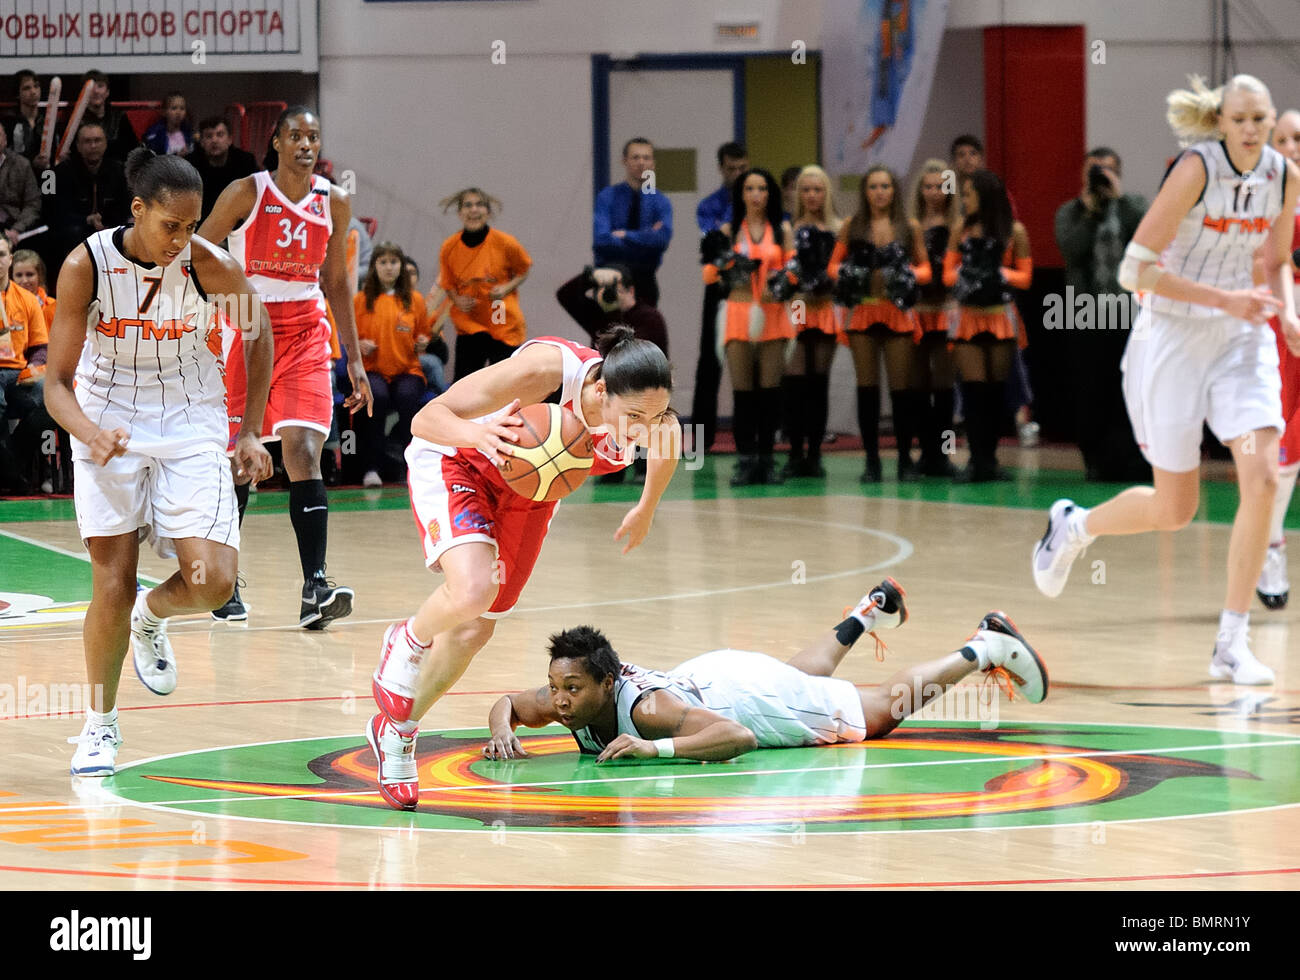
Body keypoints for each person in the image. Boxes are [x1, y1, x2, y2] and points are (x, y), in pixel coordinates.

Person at [1034, 74, 1300, 686]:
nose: (1254, 130)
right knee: (1175, 510)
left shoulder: (1282, 176)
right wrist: (1221, 299)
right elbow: (1135, 270)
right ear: (1222, 122)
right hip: (1173, 336)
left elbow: (1278, 260)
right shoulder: (1195, 169)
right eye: (1241, 120)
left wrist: (1285, 311)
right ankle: (1074, 526)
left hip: (1241, 337)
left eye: (1262, 118)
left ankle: (1233, 641)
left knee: (1260, 478)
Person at [367, 326, 680, 809]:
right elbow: (428, 418)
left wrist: (647, 507)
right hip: (461, 460)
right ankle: (408, 639)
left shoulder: (651, 416)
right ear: (600, 391)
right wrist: (479, 432)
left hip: (527, 496)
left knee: (474, 631)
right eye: (635, 416)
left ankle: (396, 732)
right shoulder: (548, 373)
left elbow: (669, 440)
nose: (644, 428)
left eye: (654, 416)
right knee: (472, 591)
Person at [42, 148, 274, 775]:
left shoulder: (211, 267)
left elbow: (260, 334)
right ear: (138, 210)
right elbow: (55, 384)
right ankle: (100, 726)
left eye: (193, 225)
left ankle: (153, 616)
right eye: (171, 225)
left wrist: (250, 430)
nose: (182, 239)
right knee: (111, 582)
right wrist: (89, 434)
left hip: (191, 417)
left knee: (215, 582)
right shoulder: (83, 266)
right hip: (107, 418)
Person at [482, 578, 1048, 763]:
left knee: (875, 716)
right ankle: (866, 612)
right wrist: (502, 730)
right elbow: (509, 702)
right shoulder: (570, 694)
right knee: (798, 682)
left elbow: (740, 736)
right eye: (556, 688)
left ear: (606, 685)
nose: (557, 700)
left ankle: (983, 648)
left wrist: (652, 750)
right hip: (718, 676)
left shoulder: (647, 712)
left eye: (570, 689)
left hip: (739, 700)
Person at [198, 106, 373, 627]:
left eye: (314, 137)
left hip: (304, 331)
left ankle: (314, 587)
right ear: (275, 142)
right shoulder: (245, 192)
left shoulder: (334, 202)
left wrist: (356, 360)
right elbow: (199, 253)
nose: (305, 145)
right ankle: (222, 584)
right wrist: (207, 316)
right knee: (239, 462)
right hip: (248, 326)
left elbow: (336, 283)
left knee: (301, 450)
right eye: (295, 136)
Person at [1055, 147, 1150, 482]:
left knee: (1131, 387)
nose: (1100, 175)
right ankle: (1096, 460)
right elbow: (1071, 249)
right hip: (1086, 312)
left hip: (1130, 311)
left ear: (1118, 173)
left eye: (1107, 169)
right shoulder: (1071, 212)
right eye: (1094, 168)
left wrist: (1118, 201)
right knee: (1091, 389)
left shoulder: (1133, 206)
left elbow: (1147, 241)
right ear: (1083, 172)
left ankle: (1135, 459)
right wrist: (1090, 212)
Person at [830, 166, 930, 482]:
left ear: (894, 190)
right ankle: (871, 461)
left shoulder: (908, 226)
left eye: (885, 186)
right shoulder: (852, 225)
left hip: (897, 312)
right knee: (867, 388)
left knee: (901, 389)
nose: (880, 192)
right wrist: (851, 275)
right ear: (865, 191)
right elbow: (833, 266)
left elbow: (925, 268)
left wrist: (905, 276)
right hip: (863, 311)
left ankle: (904, 459)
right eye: (873, 186)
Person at [703, 168, 793, 486]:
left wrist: (779, 285)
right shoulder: (728, 230)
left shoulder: (782, 229)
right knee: (743, 392)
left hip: (773, 312)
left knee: (770, 391)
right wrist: (721, 264)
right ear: (741, 194)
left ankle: (767, 460)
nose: (756, 194)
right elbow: (709, 276)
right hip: (737, 312)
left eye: (762, 188)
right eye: (750, 188)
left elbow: (793, 270)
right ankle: (745, 460)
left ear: (770, 193)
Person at [944, 169, 1032, 481]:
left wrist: (999, 275)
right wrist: (969, 275)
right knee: (974, 391)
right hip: (968, 315)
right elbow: (946, 274)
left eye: (968, 194)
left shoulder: (1014, 231)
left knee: (996, 392)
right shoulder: (961, 229)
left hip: (1000, 315)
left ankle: (990, 460)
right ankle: (975, 460)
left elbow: (1025, 276)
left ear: (984, 194)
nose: (964, 200)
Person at [1257, 108, 1300, 610]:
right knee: (1286, 443)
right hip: (1283, 323)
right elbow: (1274, 264)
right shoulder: (1267, 196)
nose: (1292, 145)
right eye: (1282, 138)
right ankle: (1272, 546)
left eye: (1298, 137)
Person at [354, 242, 430, 487]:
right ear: (374, 266)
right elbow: (348, 336)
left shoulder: (415, 300)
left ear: (401, 267)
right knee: (376, 398)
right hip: (372, 369)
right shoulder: (360, 300)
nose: (389, 267)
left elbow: (424, 335)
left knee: (409, 398)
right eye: (383, 262)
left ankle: (410, 465)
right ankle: (371, 468)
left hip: (407, 369)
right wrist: (359, 343)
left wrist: (422, 341)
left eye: (393, 262)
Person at [782, 165, 841, 478]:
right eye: (806, 190)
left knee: (818, 382)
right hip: (796, 307)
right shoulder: (788, 227)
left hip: (826, 308)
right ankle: (794, 453)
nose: (812, 195)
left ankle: (815, 454)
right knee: (795, 383)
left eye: (818, 189)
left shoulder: (838, 227)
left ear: (826, 192)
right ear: (798, 194)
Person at [437, 188, 531, 381]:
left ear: (488, 212)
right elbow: (447, 283)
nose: (474, 210)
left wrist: (506, 288)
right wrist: (457, 299)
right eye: (468, 205)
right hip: (470, 321)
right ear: (460, 213)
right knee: (465, 385)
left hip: (499, 314)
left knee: (504, 383)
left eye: (479, 205)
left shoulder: (505, 243)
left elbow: (524, 269)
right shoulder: (449, 247)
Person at [693, 142, 749, 451]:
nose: (738, 174)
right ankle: (701, 442)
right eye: (731, 169)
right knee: (709, 363)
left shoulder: (758, 200)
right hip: (717, 286)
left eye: (743, 168)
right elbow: (714, 242)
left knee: (751, 364)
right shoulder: (709, 205)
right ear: (721, 168)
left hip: (750, 289)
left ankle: (749, 442)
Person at [909, 158, 960, 477]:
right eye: (927, 186)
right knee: (918, 386)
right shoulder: (910, 223)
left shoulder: (958, 222)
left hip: (947, 309)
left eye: (940, 186)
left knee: (944, 387)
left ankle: (944, 454)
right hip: (916, 310)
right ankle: (924, 452)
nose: (933, 192)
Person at [593, 138, 672, 308]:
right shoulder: (608, 196)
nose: (641, 163)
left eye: (646, 158)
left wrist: (626, 235)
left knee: (645, 330)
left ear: (653, 163)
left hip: (645, 279)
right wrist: (646, 238)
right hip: (611, 277)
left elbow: (662, 240)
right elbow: (602, 240)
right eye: (635, 157)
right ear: (625, 161)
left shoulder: (659, 201)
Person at [0, 235, 48, 492]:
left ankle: (10, 467)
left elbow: (41, 348)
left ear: (9, 258)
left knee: (50, 401)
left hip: (18, 374)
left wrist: (33, 369)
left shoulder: (28, 300)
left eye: (1, 254)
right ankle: (14, 477)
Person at [51, 122, 131, 268]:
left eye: (97, 140)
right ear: (78, 146)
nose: (93, 146)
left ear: (106, 143)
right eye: (87, 141)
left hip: (110, 227)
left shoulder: (119, 170)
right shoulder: (61, 172)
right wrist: (87, 219)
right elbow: (56, 210)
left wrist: (108, 223)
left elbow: (125, 206)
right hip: (76, 229)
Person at [555, 263, 668, 355]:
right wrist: (590, 277)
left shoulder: (650, 317)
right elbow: (565, 295)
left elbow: (624, 353)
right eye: (602, 287)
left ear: (631, 291)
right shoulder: (600, 313)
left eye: (613, 287)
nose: (608, 291)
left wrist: (612, 311)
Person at [190, 116, 258, 223]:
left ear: (230, 139)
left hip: (239, 224)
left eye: (220, 135)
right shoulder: (190, 165)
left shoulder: (245, 161)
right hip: (202, 225)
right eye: (209, 136)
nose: (214, 140)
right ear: (201, 142)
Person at [78, 70, 139, 164]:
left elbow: (134, 151)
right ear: (83, 93)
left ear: (107, 92)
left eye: (100, 86)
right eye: (91, 87)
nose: (96, 91)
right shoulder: (76, 122)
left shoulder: (119, 118)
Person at [4, 70, 55, 171]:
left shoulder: (49, 121)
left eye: (36, 86)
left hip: (46, 179)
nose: (33, 92)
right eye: (27, 88)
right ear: (17, 94)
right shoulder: (9, 123)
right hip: (18, 179)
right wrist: (31, 162)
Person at [0, 126, 40, 251]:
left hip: (15, 224)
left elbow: (33, 203)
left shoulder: (22, 164)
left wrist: (17, 229)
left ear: (5, 139)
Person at [11, 248, 55, 331]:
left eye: (29, 274)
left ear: (40, 276)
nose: (24, 280)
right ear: (12, 278)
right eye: (19, 275)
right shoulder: (4, 307)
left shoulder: (52, 306)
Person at [142, 92, 194, 158]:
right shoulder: (156, 132)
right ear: (164, 112)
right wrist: (176, 155)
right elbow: (153, 156)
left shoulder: (188, 131)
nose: (178, 112)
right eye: (174, 108)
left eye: (182, 108)